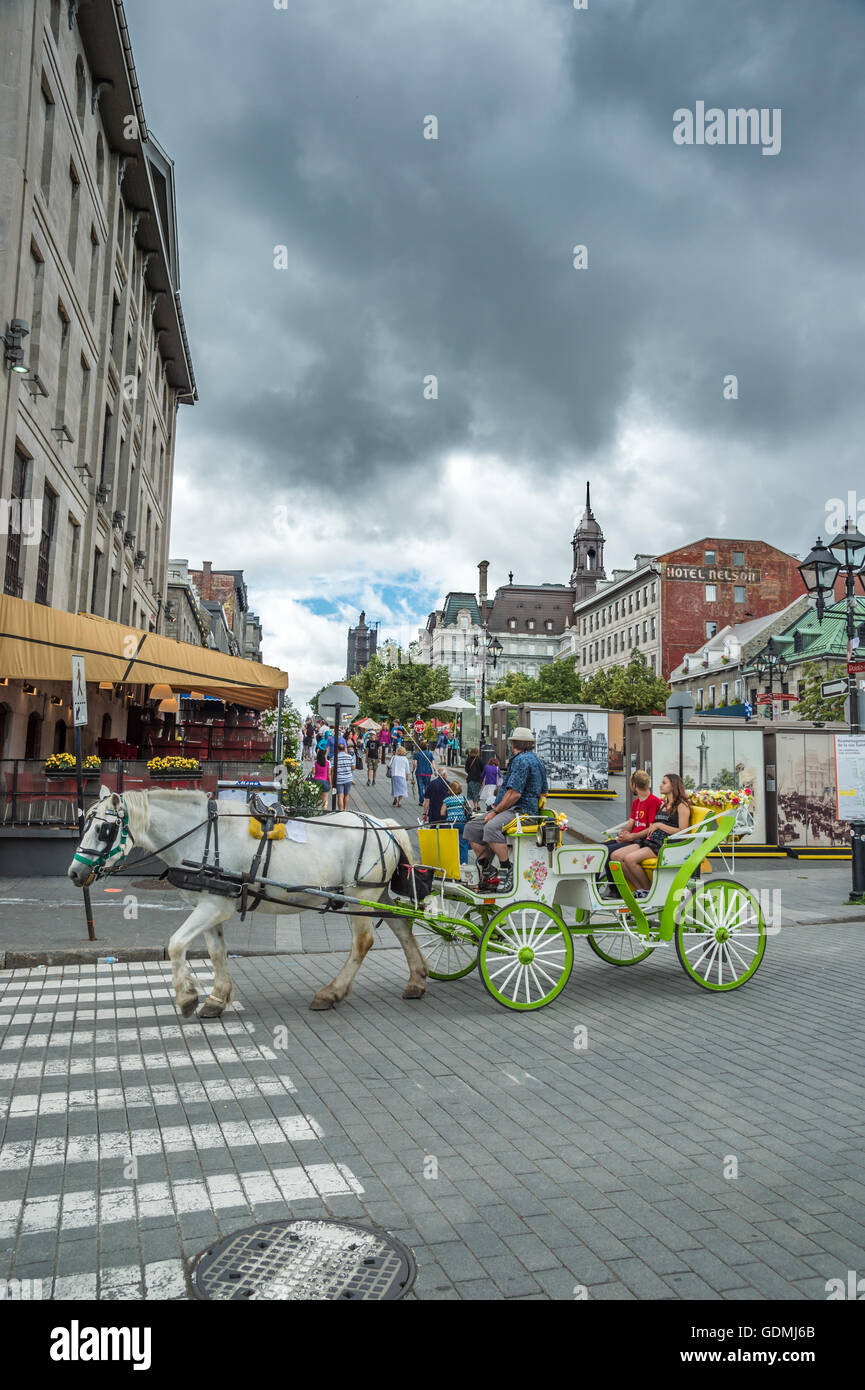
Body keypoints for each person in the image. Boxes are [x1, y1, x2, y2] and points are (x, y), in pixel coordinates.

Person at [463, 727, 548, 893]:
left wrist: (495, 811)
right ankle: (487, 869)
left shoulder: (522, 761)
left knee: (491, 827)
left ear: (514, 743)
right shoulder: (536, 760)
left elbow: (514, 794)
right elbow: (544, 790)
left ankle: (506, 869)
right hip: (511, 809)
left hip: (521, 810)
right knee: (472, 827)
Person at [615, 773, 691, 894]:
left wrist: (660, 825)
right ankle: (638, 889)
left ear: (673, 786)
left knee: (629, 859)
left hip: (663, 843)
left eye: (664, 783)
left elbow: (683, 832)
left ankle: (648, 891)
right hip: (650, 840)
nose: (660, 785)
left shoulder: (682, 806)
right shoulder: (664, 805)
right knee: (617, 857)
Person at [605, 770, 663, 891]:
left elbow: (651, 828)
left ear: (634, 785)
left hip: (640, 840)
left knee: (607, 853)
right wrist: (623, 833)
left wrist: (631, 836)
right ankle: (620, 888)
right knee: (600, 848)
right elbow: (631, 823)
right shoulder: (637, 802)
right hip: (632, 838)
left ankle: (615, 889)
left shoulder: (653, 801)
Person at [335, 738, 354, 811]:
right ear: (344, 749)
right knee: (347, 794)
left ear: (338, 749)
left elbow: (333, 769)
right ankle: (345, 809)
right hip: (348, 778)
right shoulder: (349, 757)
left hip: (339, 778)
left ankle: (340, 810)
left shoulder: (335, 758)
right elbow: (353, 767)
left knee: (340, 795)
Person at [311, 746, 331, 812]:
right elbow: (329, 774)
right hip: (325, 781)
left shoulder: (315, 762)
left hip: (316, 781)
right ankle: (324, 811)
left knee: (318, 799)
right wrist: (331, 783)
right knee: (325, 799)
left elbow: (313, 772)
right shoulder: (328, 763)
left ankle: (318, 811)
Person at [464, 747, 483, 812]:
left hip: (470, 778)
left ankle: (475, 806)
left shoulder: (468, 759)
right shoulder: (480, 759)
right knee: (477, 793)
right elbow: (482, 769)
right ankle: (477, 806)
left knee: (472, 793)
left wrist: (470, 772)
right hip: (478, 779)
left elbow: (466, 769)